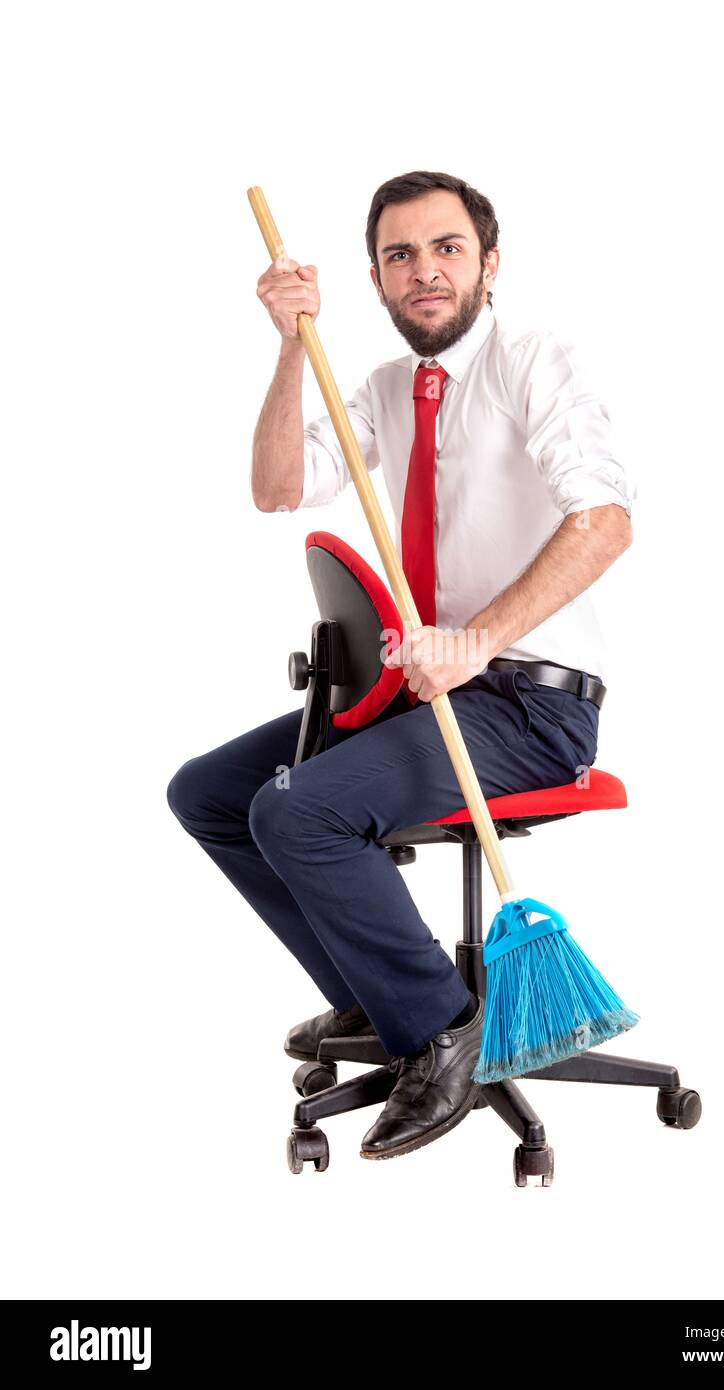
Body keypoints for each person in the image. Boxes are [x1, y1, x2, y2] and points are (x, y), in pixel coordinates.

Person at [167, 169, 636, 1162]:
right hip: (421, 688)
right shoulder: (385, 388)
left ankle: (442, 1029)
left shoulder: (534, 363)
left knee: (297, 809)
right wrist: (292, 346)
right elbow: (277, 487)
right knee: (212, 792)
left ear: (488, 262)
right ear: (377, 280)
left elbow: (604, 523)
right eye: (399, 255)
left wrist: (478, 639)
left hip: (527, 702)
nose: (424, 271)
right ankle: (372, 993)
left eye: (446, 248)